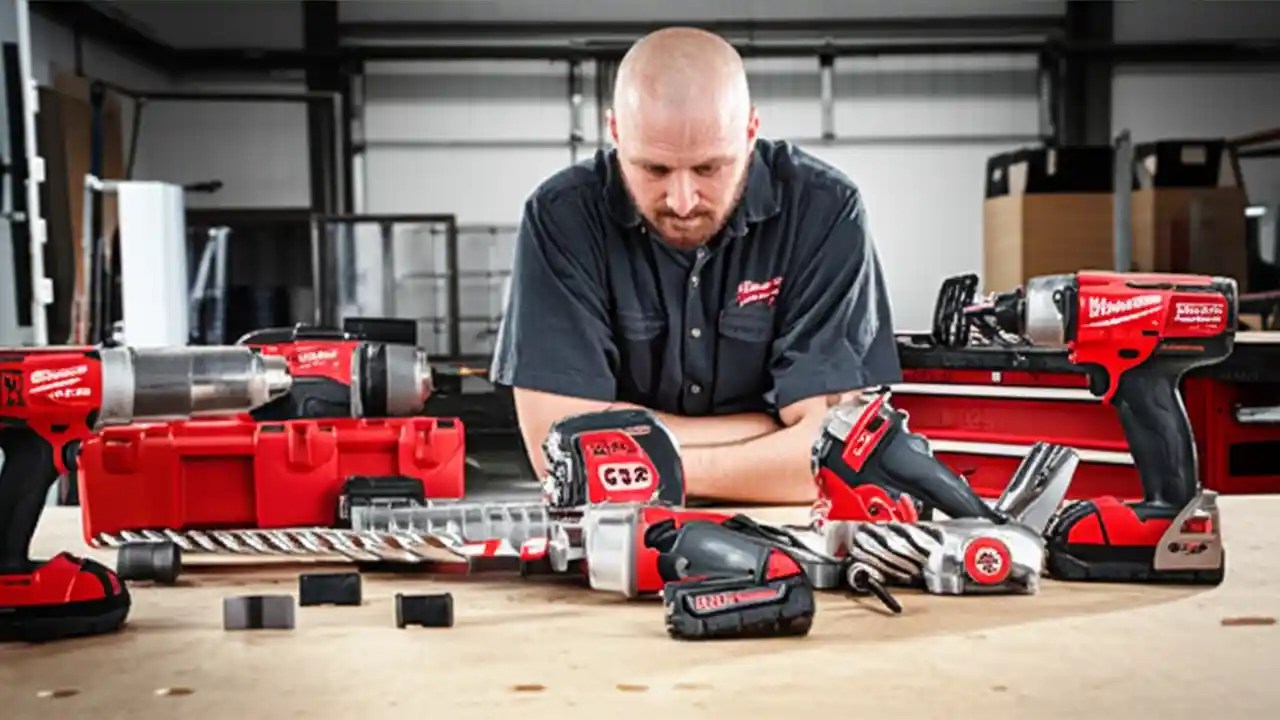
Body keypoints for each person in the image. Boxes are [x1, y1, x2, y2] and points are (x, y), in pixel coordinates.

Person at [489, 27, 902, 504]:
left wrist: (636, 457)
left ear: (750, 133)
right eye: (654, 170)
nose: (682, 202)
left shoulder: (824, 211)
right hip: (613, 533)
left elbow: (834, 459)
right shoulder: (561, 217)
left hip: (784, 528)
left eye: (709, 168)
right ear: (616, 133)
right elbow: (554, 453)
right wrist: (765, 431)